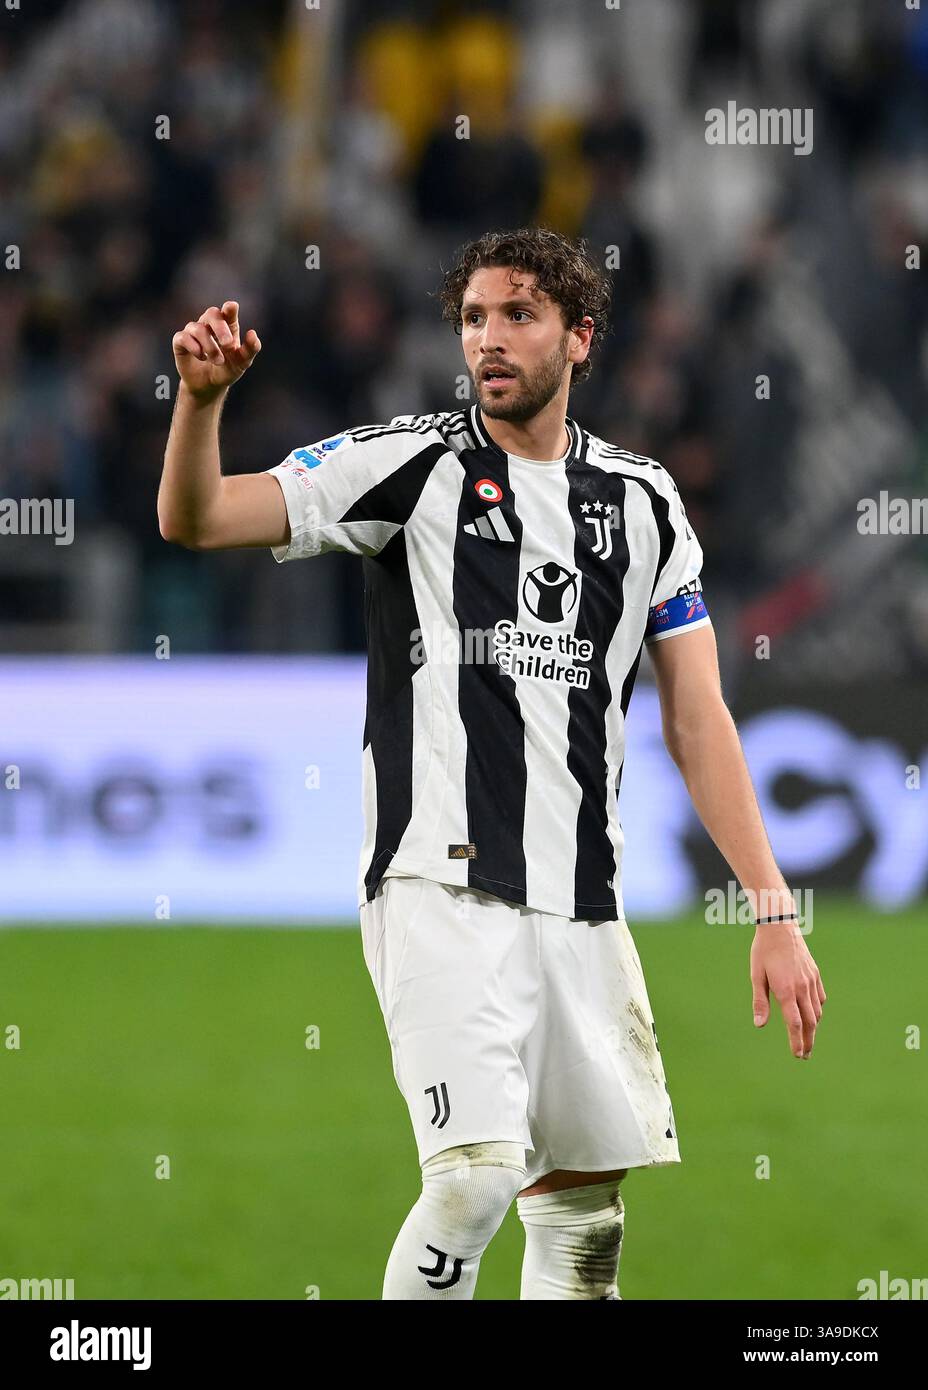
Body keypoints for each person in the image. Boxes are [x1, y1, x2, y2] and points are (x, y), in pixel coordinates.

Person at [158, 226, 826, 1301]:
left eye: (518, 314)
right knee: (473, 1181)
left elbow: (696, 719)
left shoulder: (644, 503)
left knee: (582, 1220)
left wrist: (772, 908)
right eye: (474, 318)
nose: (490, 339)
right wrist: (200, 404)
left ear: (580, 339)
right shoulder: (406, 463)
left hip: (582, 902)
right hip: (439, 879)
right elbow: (195, 518)